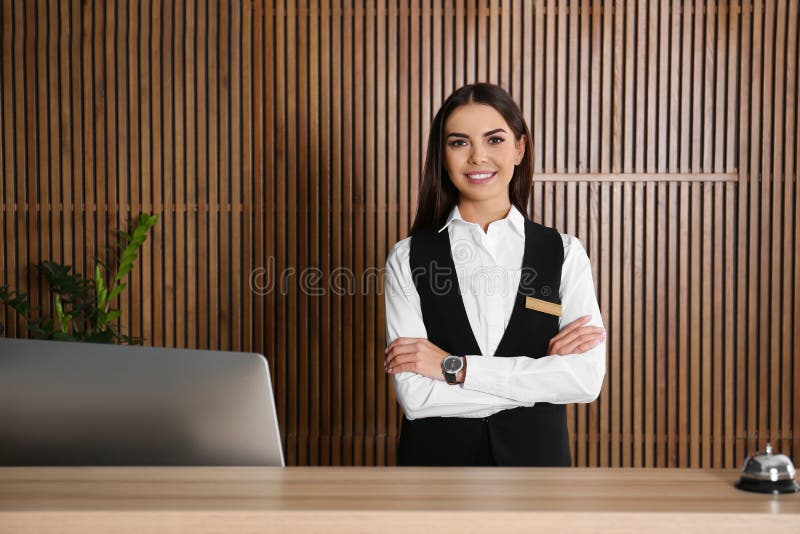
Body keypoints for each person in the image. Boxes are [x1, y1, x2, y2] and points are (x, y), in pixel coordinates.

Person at [383, 83, 606, 467]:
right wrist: (544, 377)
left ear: (519, 148)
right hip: (433, 479)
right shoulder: (407, 258)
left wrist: (455, 369)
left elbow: (584, 381)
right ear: (442, 156)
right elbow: (416, 398)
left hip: (540, 478)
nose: (478, 156)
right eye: (459, 143)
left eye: (494, 139)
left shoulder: (566, 253)